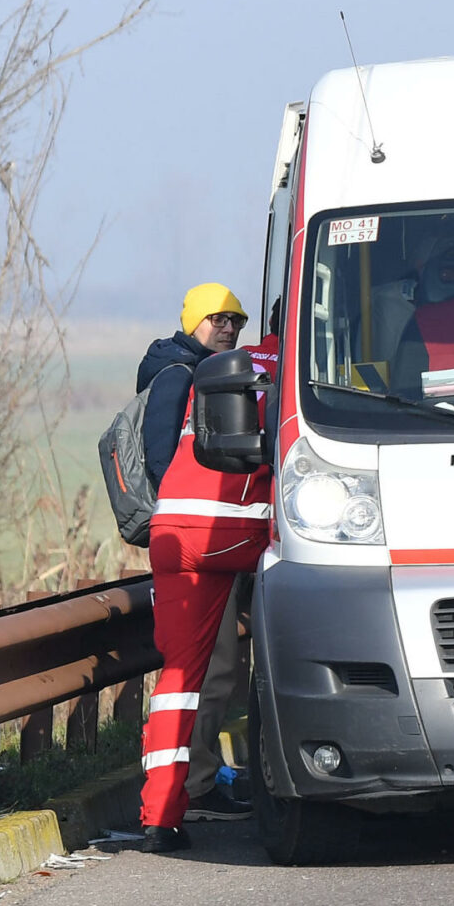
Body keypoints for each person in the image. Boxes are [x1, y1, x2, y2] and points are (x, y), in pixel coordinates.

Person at [133, 283, 270, 850]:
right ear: (192, 321)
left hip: (175, 534)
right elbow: (161, 455)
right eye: (217, 318)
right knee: (217, 668)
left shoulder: (207, 372)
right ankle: (206, 785)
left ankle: (160, 814)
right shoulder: (200, 376)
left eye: (236, 320)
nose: (229, 328)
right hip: (217, 532)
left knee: (182, 678)